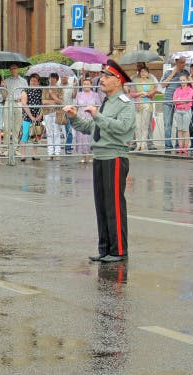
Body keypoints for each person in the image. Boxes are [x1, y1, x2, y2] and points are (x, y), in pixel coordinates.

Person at [63, 60, 135, 263]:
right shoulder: (106, 102)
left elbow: (123, 128)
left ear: (118, 80)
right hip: (100, 156)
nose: (101, 80)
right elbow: (91, 128)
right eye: (102, 76)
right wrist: (74, 117)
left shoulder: (125, 103)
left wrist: (98, 116)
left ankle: (118, 250)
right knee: (102, 205)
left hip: (114, 157)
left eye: (106, 76)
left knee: (114, 205)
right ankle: (105, 249)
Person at [160, 56, 189, 151]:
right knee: (167, 124)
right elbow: (163, 85)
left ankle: (178, 145)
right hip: (168, 102)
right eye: (182, 62)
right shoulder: (168, 72)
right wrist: (173, 73)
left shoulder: (186, 72)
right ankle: (168, 145)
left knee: (179, 125)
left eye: (184, 62)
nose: (184, 64)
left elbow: (188, 85)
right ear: (176, 63)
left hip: (179, 104)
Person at [129, 67, 156, 152]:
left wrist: (147, 94)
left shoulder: (151, 81)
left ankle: (144, 145)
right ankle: (138, 144)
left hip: (147, 104)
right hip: (137, 105)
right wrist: (140, 93)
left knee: (145, 125)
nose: (143, 73)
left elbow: (153, 93)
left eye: (145, 72)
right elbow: (131, 94)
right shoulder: (135, 81)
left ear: (148, 73)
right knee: (137, 125)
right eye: (141, 72)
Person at [20, 74, 44, 161]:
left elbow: (43, 104)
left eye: (35, 81)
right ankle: (23, 155)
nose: (33, 82)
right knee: (25, 134)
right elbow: (24, 104)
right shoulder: (25, 91)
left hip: (38, 115)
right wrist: (31, 116)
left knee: (36, 135)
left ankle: (35, 154)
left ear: (38, 82)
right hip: (27, 116)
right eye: (31, 80)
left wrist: (40, 116)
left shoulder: (41, 91)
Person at [74, 78, 99, 161]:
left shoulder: (95, 95)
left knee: (91, 136)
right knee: (81, 137)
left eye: (88, 84)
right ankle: (83, 156)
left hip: (91, 118)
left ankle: (91, 155)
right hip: (81, 118)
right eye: (84, 84)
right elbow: (76, 106)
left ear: (91, 85)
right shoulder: (78, 94)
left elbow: (98, 106)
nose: (86, 85)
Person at [4, 63, 28, 147]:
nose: (13, 70)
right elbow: (4, 96)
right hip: (9, 102)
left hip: (19, 102)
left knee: (17, 126)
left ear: (18, 69)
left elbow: (26, 93)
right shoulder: (6, 81)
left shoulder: (23, 81)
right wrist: (3, 87)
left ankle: (15, 147)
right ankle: (6, 147)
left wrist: (24, 104)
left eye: (14, 68)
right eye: (11, 69)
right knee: (7, 126)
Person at [42, 73, 64, 159]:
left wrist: (52, 95)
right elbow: (43, 101)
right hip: (47, 112)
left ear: (57, 80)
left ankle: (57, 153)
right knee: (49, 133)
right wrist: (54, 101)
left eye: (54, 78)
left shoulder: (60, 89)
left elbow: (60, 101)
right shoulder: (45, 89)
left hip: (57, 112)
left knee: (57, 133)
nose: (52, 80)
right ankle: (50, 153)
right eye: (51, 78)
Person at [172, 75, 193, 154]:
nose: (182, 82)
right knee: (179, 130)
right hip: (178, 111)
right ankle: (180, 146)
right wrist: (181, 101)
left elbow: (188, 99)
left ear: (187, 81)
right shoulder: (177, 90)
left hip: (186, 110)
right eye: (181, 80)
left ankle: (185, 147)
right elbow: (174, 100)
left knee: (186, 129)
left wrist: (179, 100)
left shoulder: (190, 89)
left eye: (184, 80)